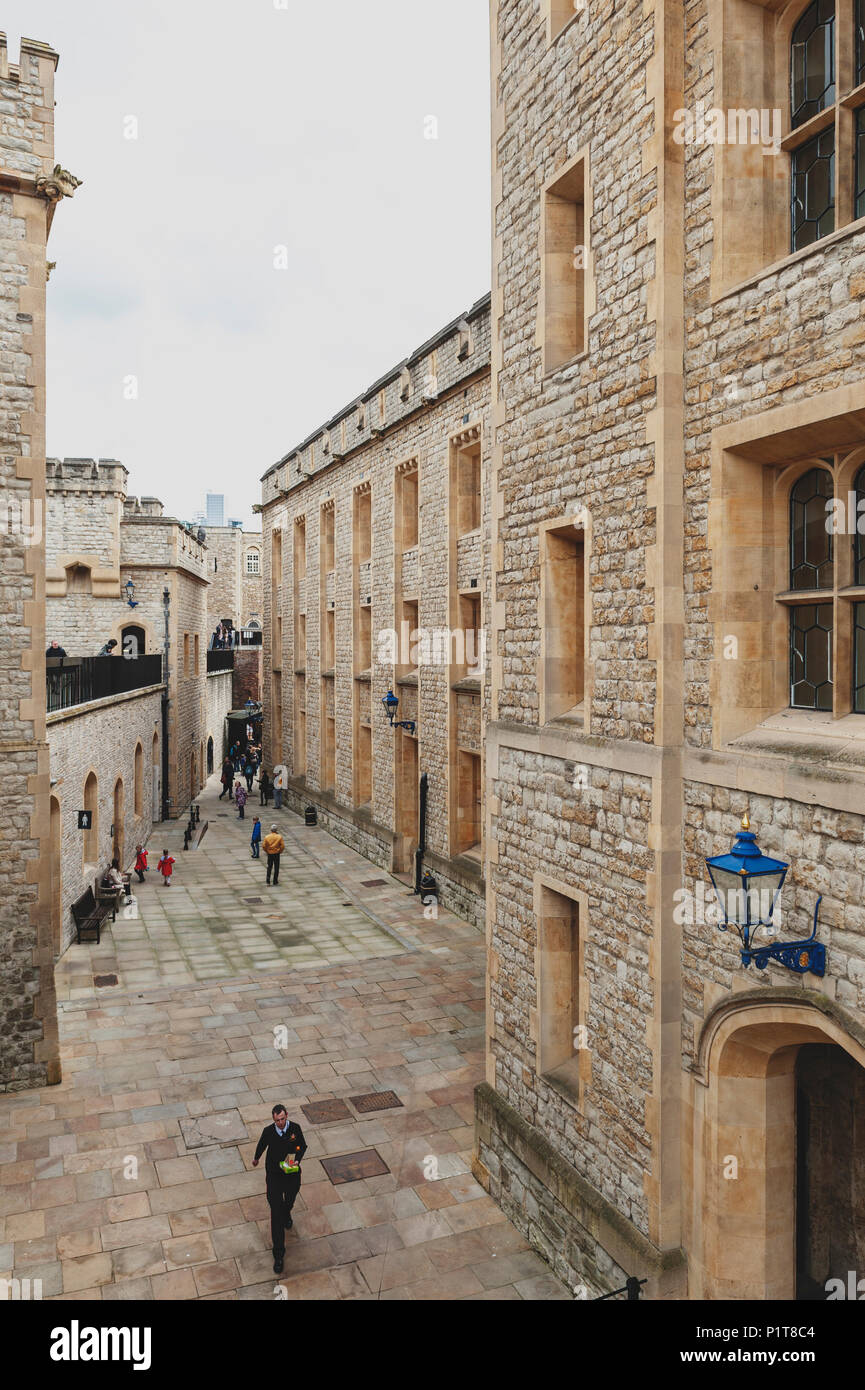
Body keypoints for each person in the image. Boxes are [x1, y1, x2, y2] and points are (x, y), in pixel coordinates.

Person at [252, 1103, 307, 1274]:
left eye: (283, 1119)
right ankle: (278, 1255)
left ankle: (286, 1211)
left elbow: (301, 1146)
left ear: (286, 1115)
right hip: (275, 1175)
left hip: (291, 1173)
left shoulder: (295, 1129)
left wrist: (297, 1158)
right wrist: (256, 1158)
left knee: (289, 1200)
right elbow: (262, 1145)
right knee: (276, 1215)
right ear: (273, 1119)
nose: (281, 1123)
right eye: (277, 1120)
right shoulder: (269, 1131)